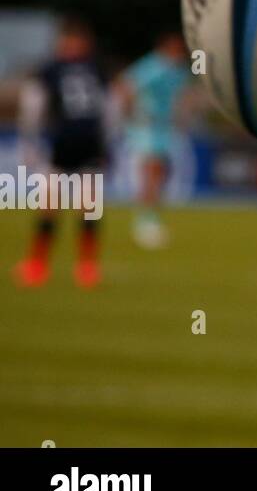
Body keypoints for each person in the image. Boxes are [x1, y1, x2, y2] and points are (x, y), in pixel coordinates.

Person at [12, 16, 111, 289]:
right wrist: (109, 140)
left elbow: (33, 106)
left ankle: (40, 264)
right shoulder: (96, 68)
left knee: (54, 205)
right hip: (88, 140)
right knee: (84, 206)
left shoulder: (51, 69)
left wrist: (29, 140)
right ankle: (86, 267)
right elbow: (108, 108)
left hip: (64, 140)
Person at [114, 31, 193, 249]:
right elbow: (124, 86)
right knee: (151, 171)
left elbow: (183, 95)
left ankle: (151, 217)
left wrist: (181, 118)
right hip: (147, 129)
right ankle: (144, 221)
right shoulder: (154, 66)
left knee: (160, 174)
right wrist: (131, 114)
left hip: (165, 128)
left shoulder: (178, 71)